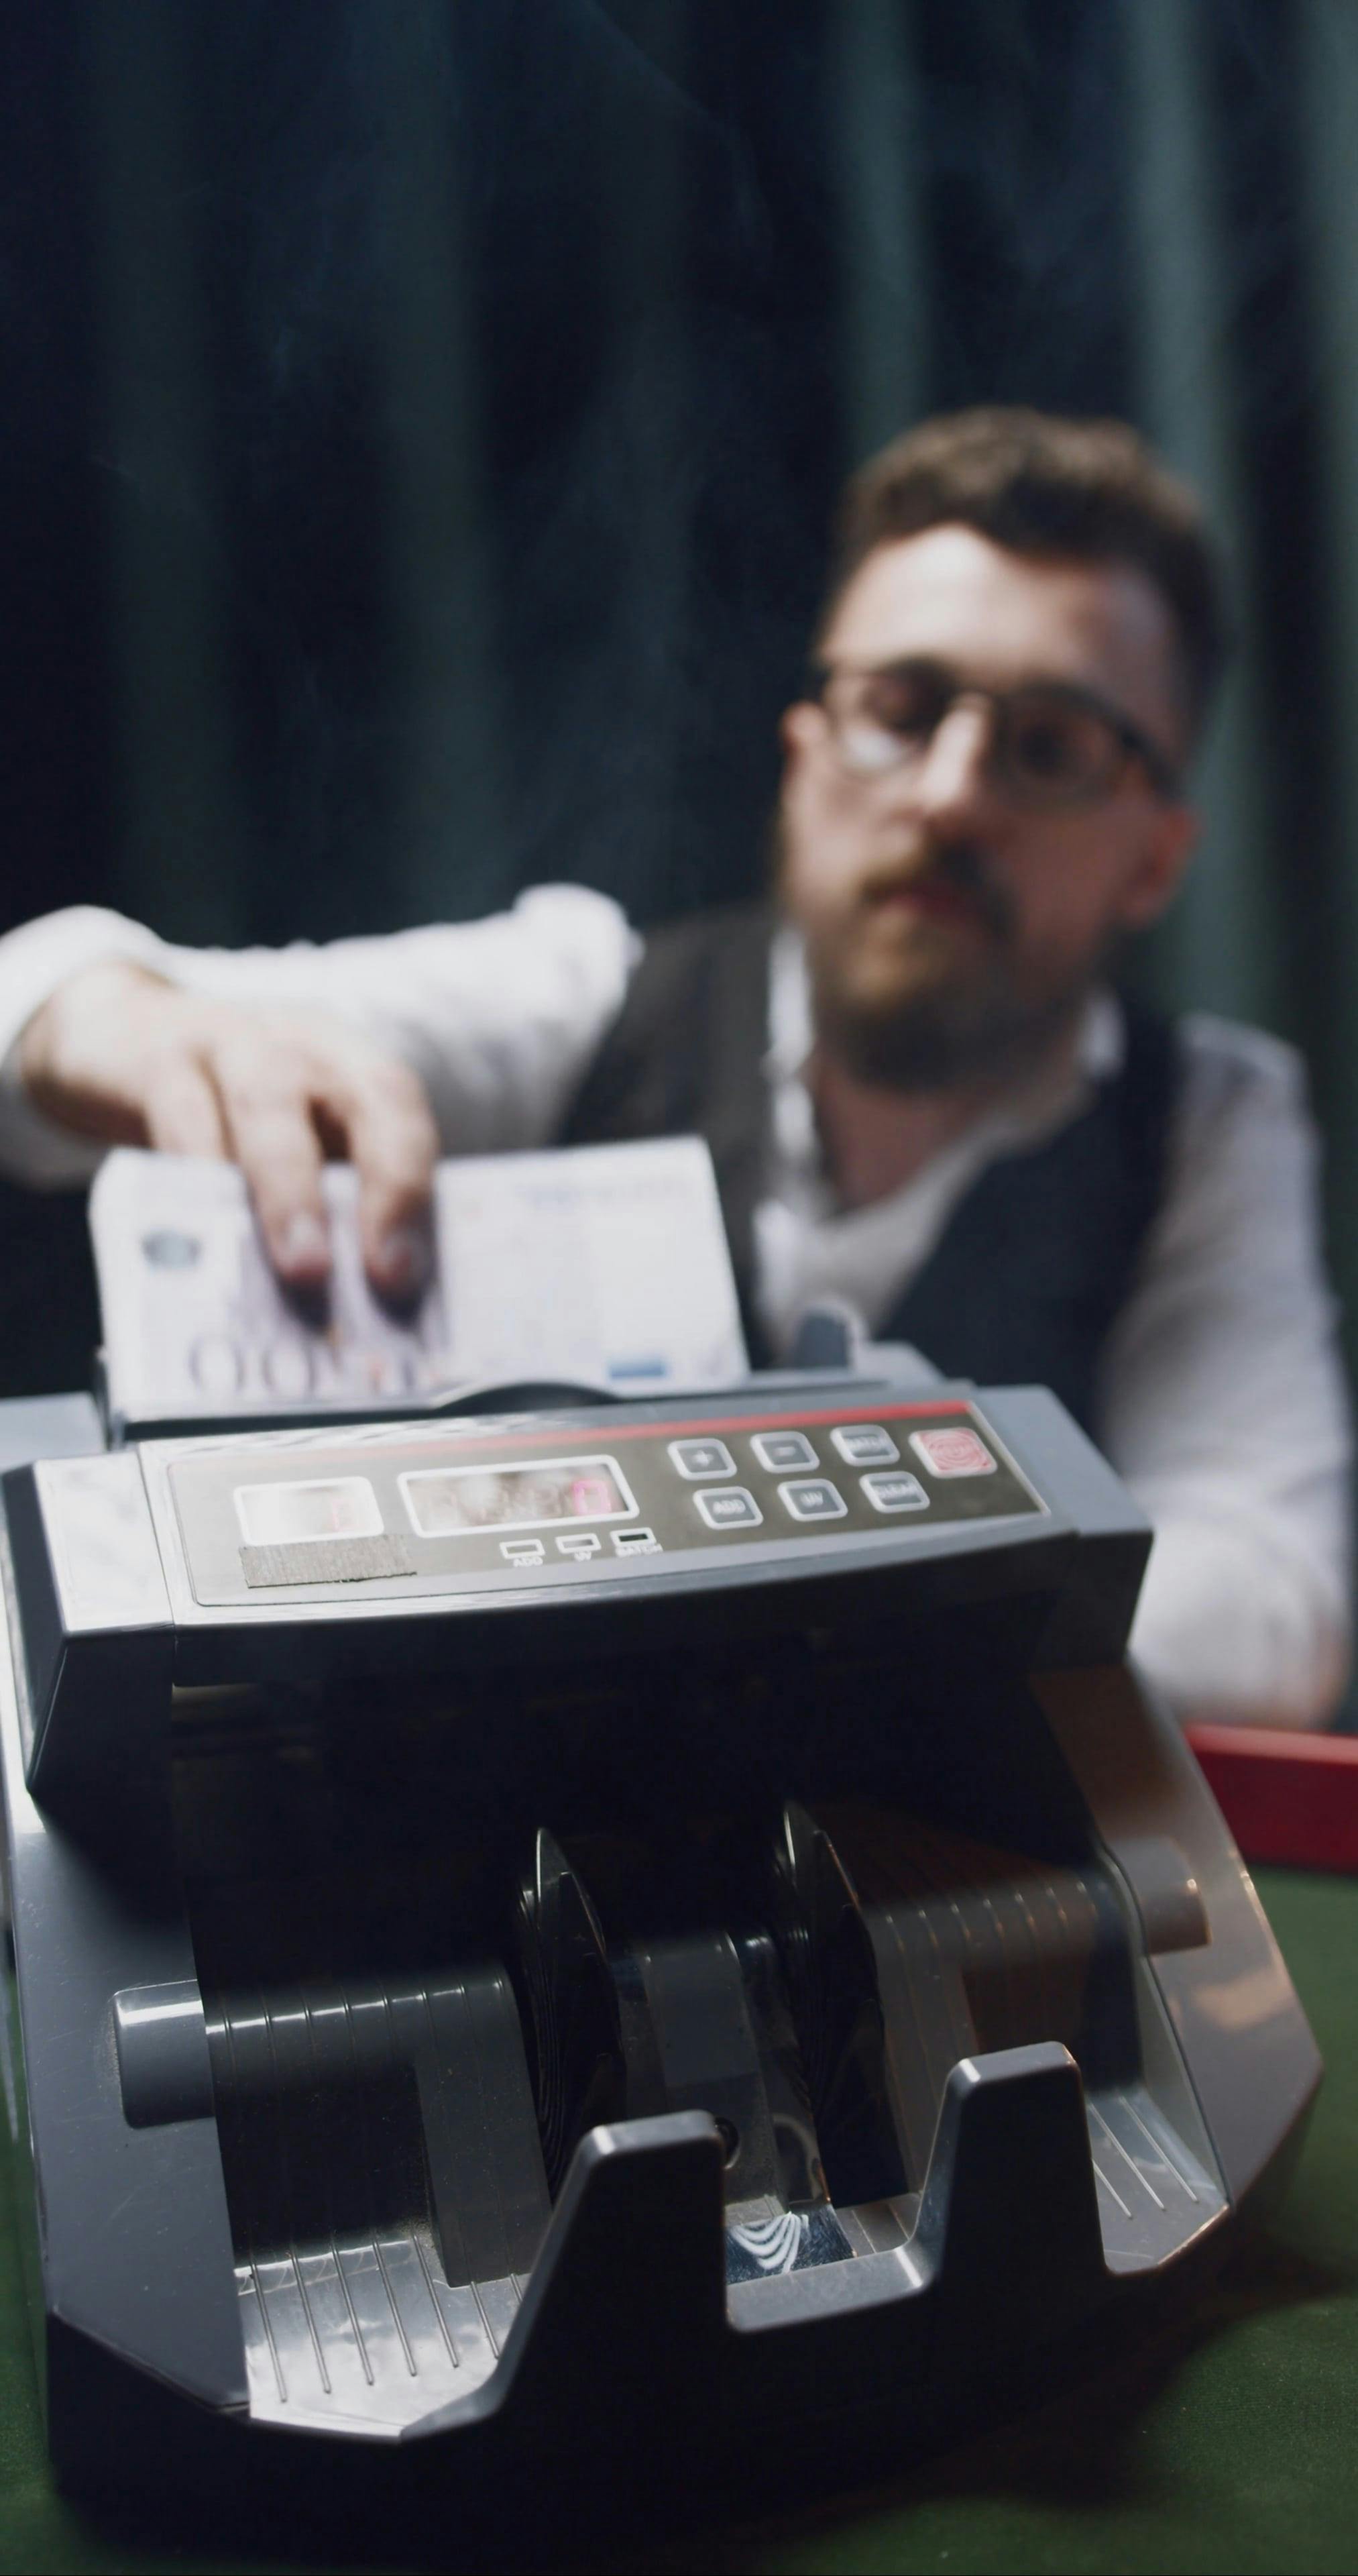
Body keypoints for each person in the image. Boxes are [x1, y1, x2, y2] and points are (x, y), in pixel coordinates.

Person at [0, 407, 1348, 1727]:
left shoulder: (1204, 1119)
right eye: (900, 707)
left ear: (1153, 856)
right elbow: (43, 1004)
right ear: (803, 755)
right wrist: (95, 1014)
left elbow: (1269, 1613)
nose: (947, 794)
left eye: (1047, 747)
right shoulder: (590, 993)